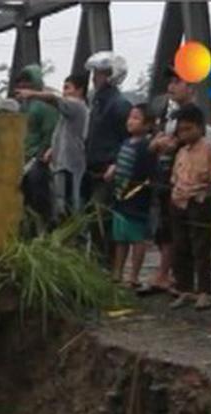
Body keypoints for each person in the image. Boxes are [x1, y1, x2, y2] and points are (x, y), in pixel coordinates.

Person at [143, 69, 211, 296]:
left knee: (198, 245)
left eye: (178, 82)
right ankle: (177, 282)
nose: (171, 87)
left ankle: (201, 289)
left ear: (192, 88)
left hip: (196, 196)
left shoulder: (207, 136)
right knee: (173, 238)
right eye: (170, 82)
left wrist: (208, 194)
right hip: (173, 188)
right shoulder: (167, 117)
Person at [14, 74, 89, 224]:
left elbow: (53, 99)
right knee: (59, 204)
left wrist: (32, 94)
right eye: (64, 88)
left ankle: (74, 241)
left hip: (70, 165)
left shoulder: (77, 106)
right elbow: (62, 134)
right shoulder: (67, 112)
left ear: (80, 90)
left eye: (68, 88)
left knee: (69, 206)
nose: (65, 92)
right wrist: (52, 150)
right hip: (61, 163)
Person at [169, 104, 211, 311]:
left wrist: (205, 197)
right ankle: (185, 289)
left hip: (198, 202)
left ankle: (204, 292)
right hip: (179, 201)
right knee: (180, 247)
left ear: (200, 128)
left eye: (188, 129)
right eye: (181, 130)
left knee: (200, 248)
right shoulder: (181, 152)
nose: (184, 134)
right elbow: (175, 178)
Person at [83, 51, 132, 263]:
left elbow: (127, 138)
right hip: (91, 168)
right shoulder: (97, 102)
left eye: (100, 73)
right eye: (95, 72)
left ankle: (106, 263)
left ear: (112, 75)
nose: (95, 77)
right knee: (91, 219)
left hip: (107, 170)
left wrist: (116, 163)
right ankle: (97, 261)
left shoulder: (119, 104)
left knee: (102, 217)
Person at [106, 104, 157, 287]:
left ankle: (133, 276)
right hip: (120, 197)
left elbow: (150, 173)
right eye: (130, 117)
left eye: (136, 118)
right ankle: (117, 272)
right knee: (120, 238)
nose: (130, 121)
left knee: (136, 238)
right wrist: (113, 170)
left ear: (148, 124)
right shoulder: (126, 142)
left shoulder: (147, 145)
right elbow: (118, 163)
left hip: (137, 199)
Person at [14, 64, 60, 220]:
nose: (22, 85)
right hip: (24, 156)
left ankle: (46, 225)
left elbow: (50, 132)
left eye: (27, 81)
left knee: (39, 197)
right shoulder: (24, 106)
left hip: (38, 159)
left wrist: (41, 154)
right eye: (20, 81)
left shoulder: (45, 106)